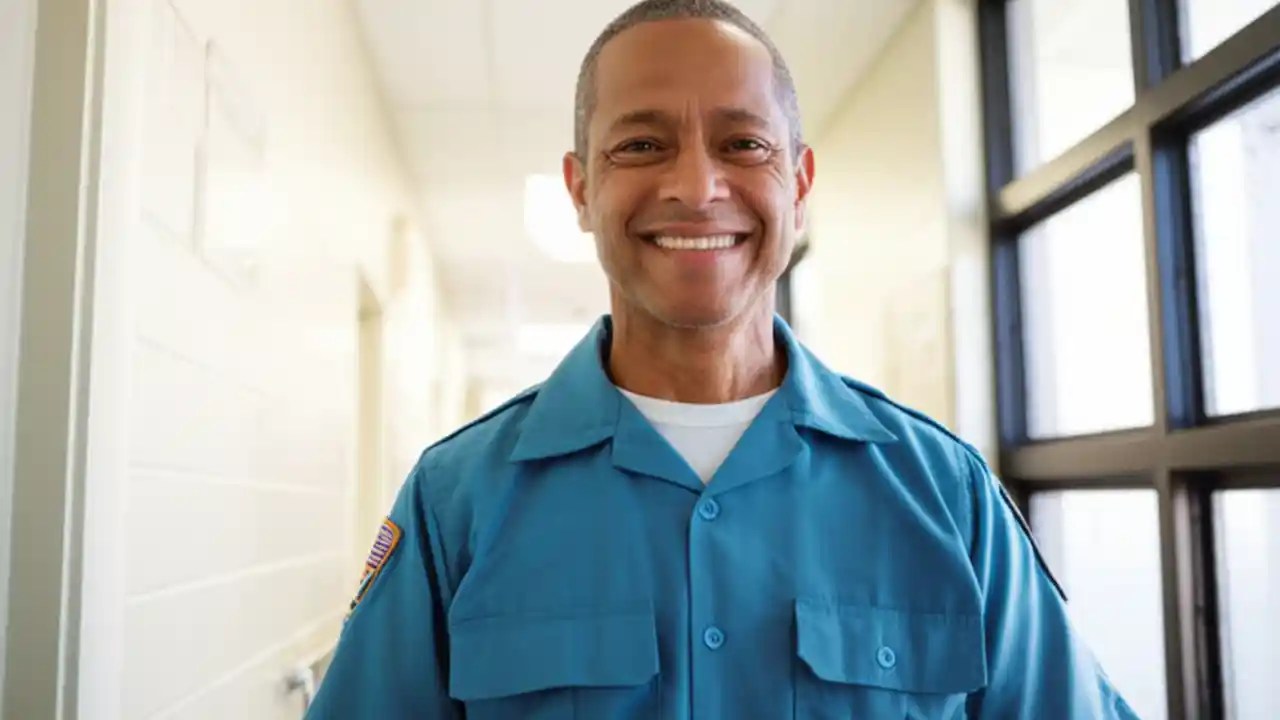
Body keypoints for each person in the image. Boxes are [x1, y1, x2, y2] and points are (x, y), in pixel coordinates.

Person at [307, 1, 1141, 717]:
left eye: (744, 145)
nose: (698, 186)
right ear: (580, 191)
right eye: (641, 146)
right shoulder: (459, 503)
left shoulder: (944, 495)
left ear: (801, 186)